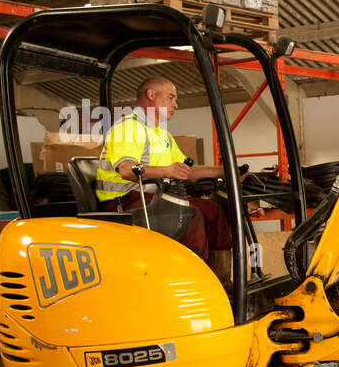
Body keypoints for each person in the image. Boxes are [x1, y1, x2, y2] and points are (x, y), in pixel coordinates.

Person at [95, 77, 234, 262]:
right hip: (125, 201)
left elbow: (187, 171)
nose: (175, 104)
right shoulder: (129, 127)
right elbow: (126, 170)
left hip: (154, 198)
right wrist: (166, 171)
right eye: (171, 97)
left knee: (213, 210)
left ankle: (222, 278)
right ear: (151, 95)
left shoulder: (162, 134)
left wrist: (226, 171)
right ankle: (193, 276)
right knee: (190, 214)